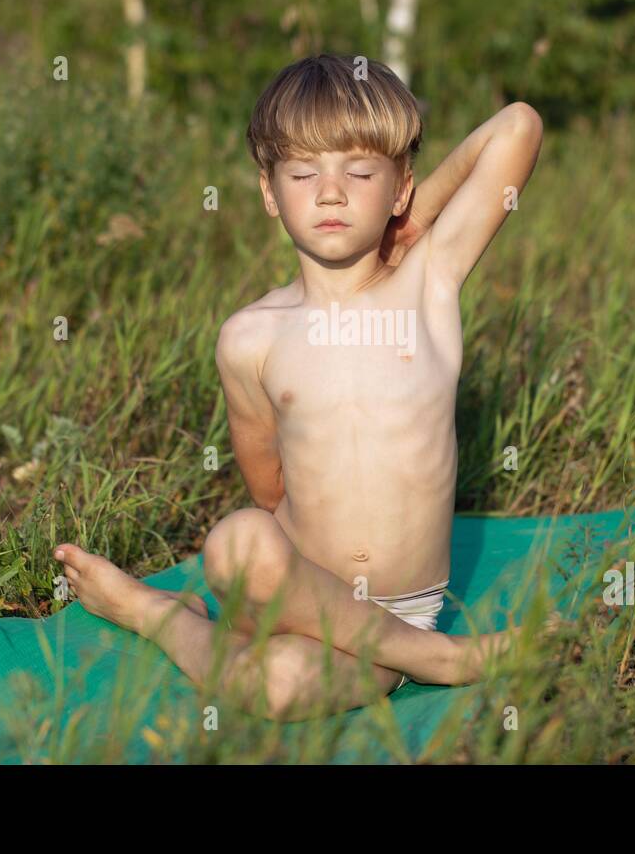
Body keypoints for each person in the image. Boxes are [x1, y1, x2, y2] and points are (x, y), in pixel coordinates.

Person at [55, 53, 550, 721]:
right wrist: (283, 587)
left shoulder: (428, 283)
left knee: (274, 686)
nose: (331, 192)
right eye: (303, 172)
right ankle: (445, 662)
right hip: (301, 597)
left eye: (361, 171)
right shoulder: (250, 338)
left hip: (397, 614)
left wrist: (409, 223)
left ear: (399, 186)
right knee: (237, 541)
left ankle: (155, 613)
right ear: (269, 192)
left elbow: (516, 127)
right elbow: (271, 489)